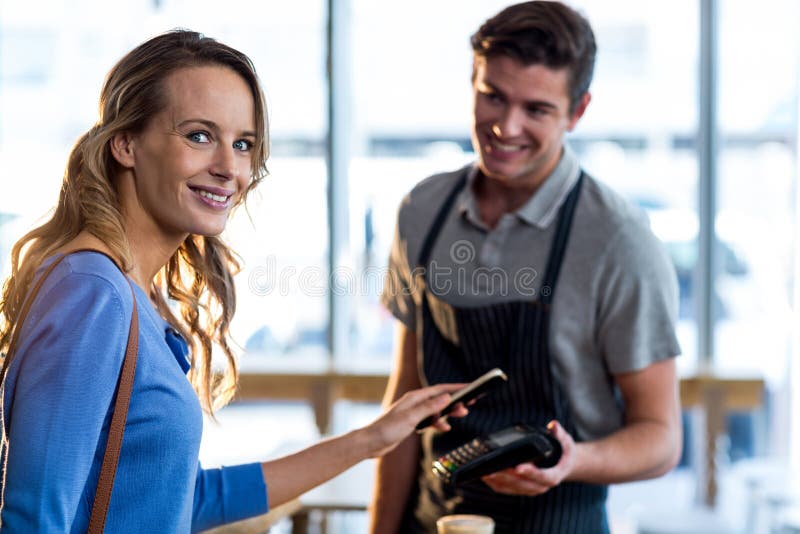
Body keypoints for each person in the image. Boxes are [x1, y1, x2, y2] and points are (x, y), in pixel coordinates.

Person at [0, 30, 468, 532]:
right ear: (125, 143)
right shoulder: (93, 293)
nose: (230, 168)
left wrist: (372, 438)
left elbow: (186, 497)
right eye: (199, 136)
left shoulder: (132, 294)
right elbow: (32, 520)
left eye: (242, 144)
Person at [369, 2, 683, 533]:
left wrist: (573, 461)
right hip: (434, 518)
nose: (505, 126)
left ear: (577, 111)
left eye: (536, 109)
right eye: (492, 96)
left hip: (558, 519)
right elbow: (404, 401)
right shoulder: (422, 211)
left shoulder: (617, 240)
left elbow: (661, 436)